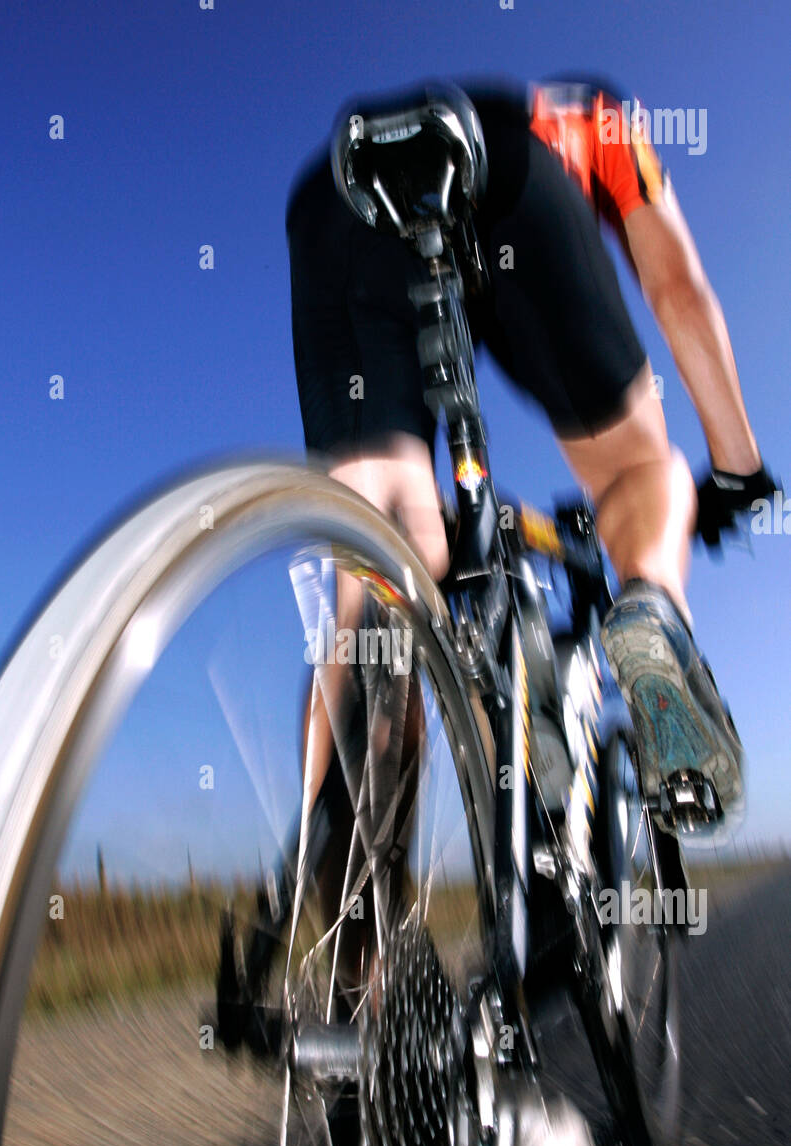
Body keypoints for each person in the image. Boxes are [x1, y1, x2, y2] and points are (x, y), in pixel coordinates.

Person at [285, 74, 777, 835]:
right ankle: (650, 609)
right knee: (639, 471)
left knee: (380, 570)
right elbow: (678, 289)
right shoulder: (593, 117)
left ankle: (345, 925)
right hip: (512, 173)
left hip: (337, 196)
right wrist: (739, 473)